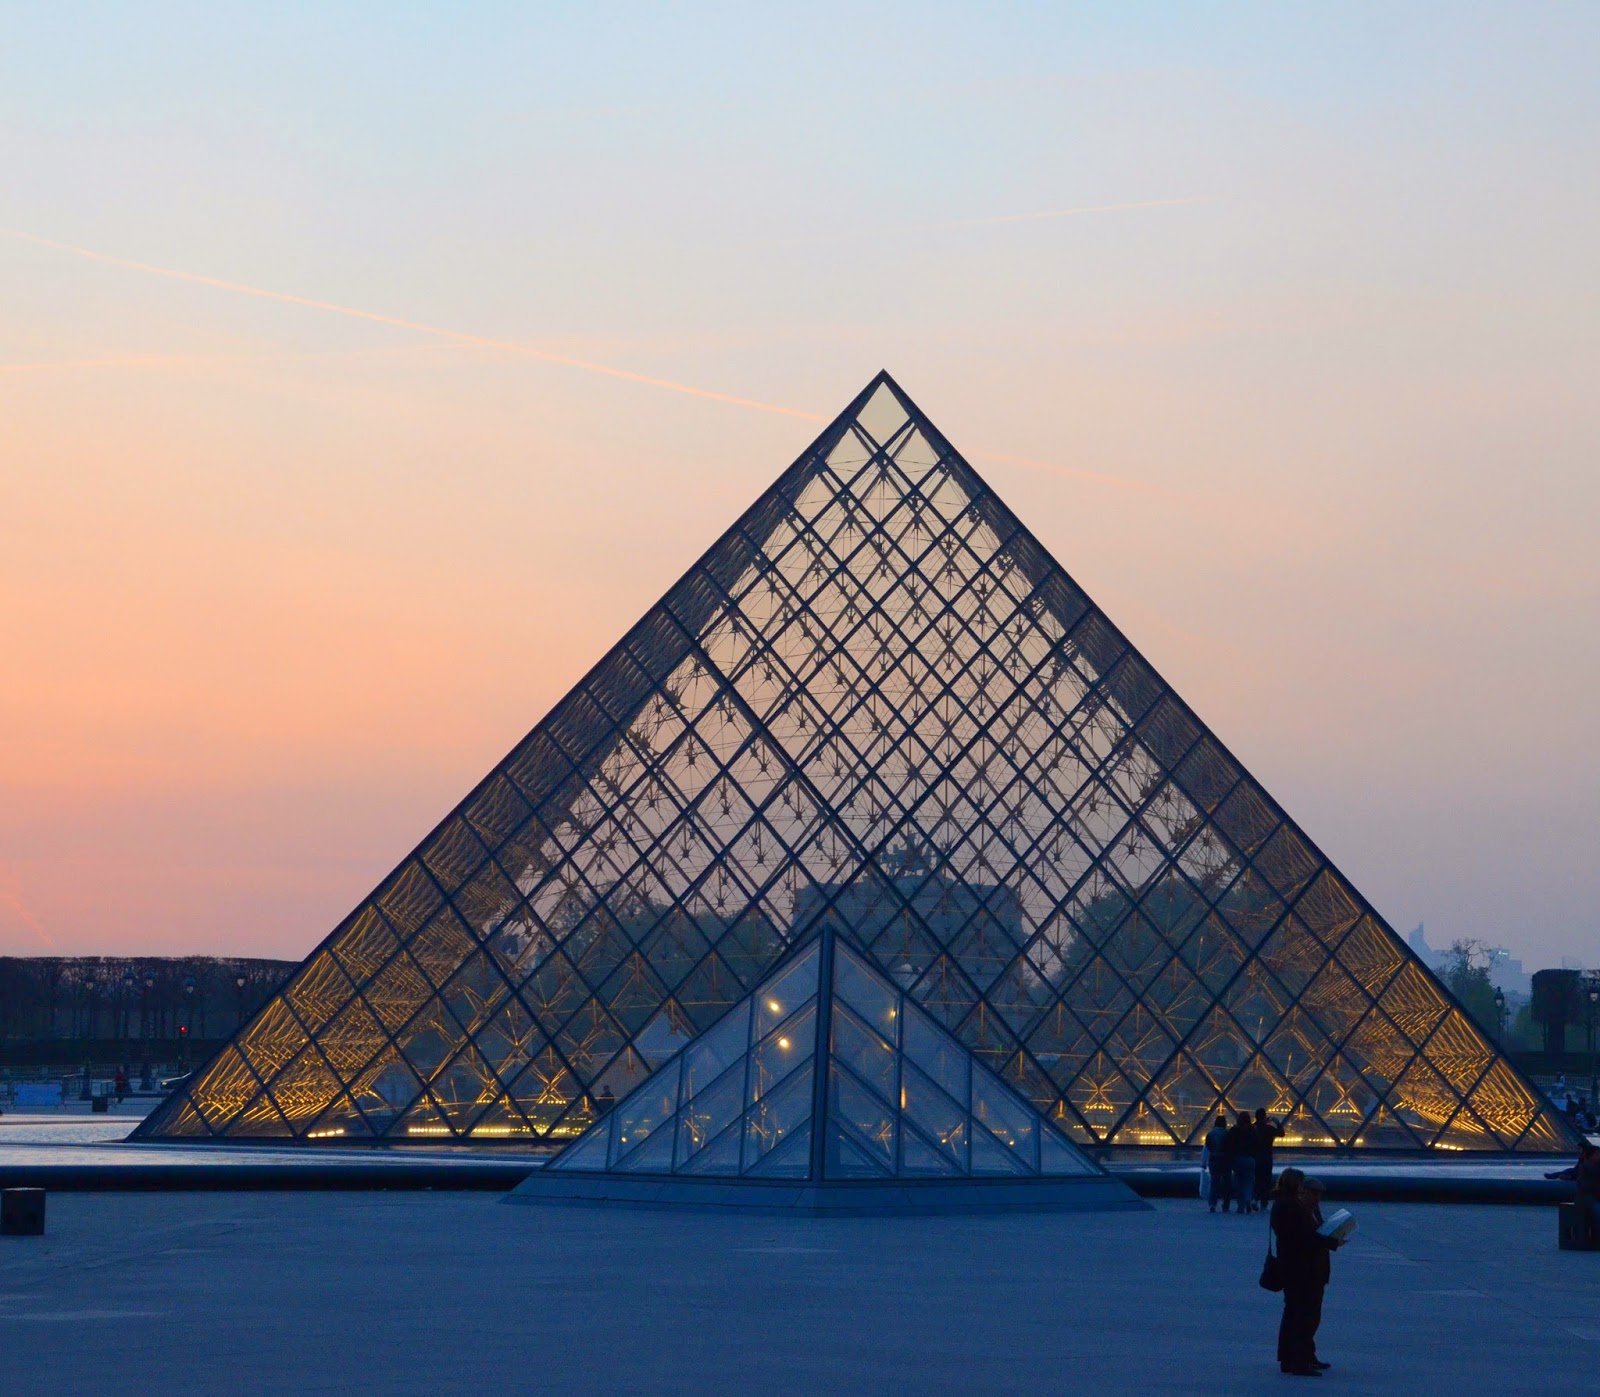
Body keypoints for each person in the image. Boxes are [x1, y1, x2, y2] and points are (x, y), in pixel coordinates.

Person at [1271, 1168, 1341, 1376]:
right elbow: (1306, 1239)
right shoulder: (1293, 1208)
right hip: (1303, 1271)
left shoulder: (1286, 1205)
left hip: (1299, 1269)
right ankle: (1299, 1362)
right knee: (1304, 1316)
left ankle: (1293, 1358)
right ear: (1298, 1187)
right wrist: (1333, 1242)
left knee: (1295, 1314)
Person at [1546, 1141, 1600, 1241]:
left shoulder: (1587, 1166)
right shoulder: (1584, 1168)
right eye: (1597, 1154)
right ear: (1590, 1156)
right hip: (1587, 1198)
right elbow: (1586, 1186)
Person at [1227, 1110, 1257, 1213]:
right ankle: (1248, 1199)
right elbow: (1257, 1145)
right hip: (1250, 1159)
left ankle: (1240, 1206)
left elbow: (1229, 1145)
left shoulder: (1234, 1130)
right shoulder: (1253, 1131)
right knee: (1249, 1182)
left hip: (1237, 1159)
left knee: (1239, 1183)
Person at [1204, 1113, 1232, 1213]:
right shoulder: (1228, 1133)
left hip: (1214, 1160)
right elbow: (1231, 1148)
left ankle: (1212, 1204)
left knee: (1214, 1183)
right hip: (1225, 1161)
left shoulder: (1210, 1134)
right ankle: (1226, 1205)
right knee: (1227, 1184)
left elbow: (1207, 1148)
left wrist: (1204, 1163)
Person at [1254, 1107, 1283, 1203]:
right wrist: (1277, 1123)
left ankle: (1255, 1199)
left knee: (1256, 1179)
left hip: (1255, 1157)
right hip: (1266, 1157)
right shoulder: (1269, 1129)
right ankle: (1264, 1202)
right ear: (1264, 1117)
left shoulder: (1252, 1128)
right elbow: (1281, 1133)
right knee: (1266, 1180)